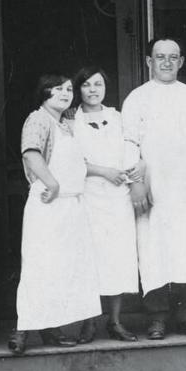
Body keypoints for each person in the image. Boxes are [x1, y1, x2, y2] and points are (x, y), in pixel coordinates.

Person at [121, 38, 186, 340]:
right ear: (149, 62)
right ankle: (157, 318)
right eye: (160, 57)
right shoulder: (136, 99)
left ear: (182, 62)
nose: (167, 62)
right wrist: (136, 183)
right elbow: (129, 143)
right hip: (156, 191)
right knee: (155, 251)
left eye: (173, 57)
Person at [8, 74, 102, 355]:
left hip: (69, 206)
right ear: (44, 92)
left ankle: (51, 328)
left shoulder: (66, 125)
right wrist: (51, 182)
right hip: (48, 203)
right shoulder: (38, 119)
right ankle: (22, 330)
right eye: (58, 89)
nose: (66, 93)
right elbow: (31, 153)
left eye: (70, 89)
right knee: (40, 266)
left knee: (62, 269)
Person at [71, 66, 143, 343]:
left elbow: (132, 148)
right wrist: (103, 171)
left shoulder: (117, 117)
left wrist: (134, 169)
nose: (92, 90)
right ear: (79, 89)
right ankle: (89, 323)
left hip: (118, 197)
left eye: (98, 84)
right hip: (88, 196)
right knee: (91, 260)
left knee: (118, 258)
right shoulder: (71, 120)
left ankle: (115, 321)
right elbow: (71, 161)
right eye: (87, 85)